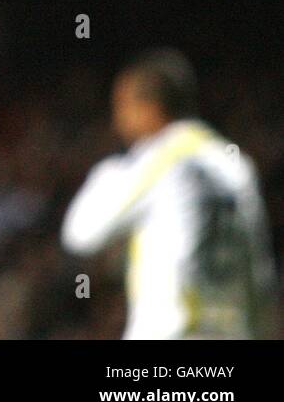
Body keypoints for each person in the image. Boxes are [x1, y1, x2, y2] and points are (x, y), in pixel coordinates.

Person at [62, 48, 276, 338]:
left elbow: (81, 234)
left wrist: (109, 170)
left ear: (148, 106)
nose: (117, 119)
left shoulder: (156, 160)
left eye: (122, 105)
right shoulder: (235, 163)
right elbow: (259, 269)